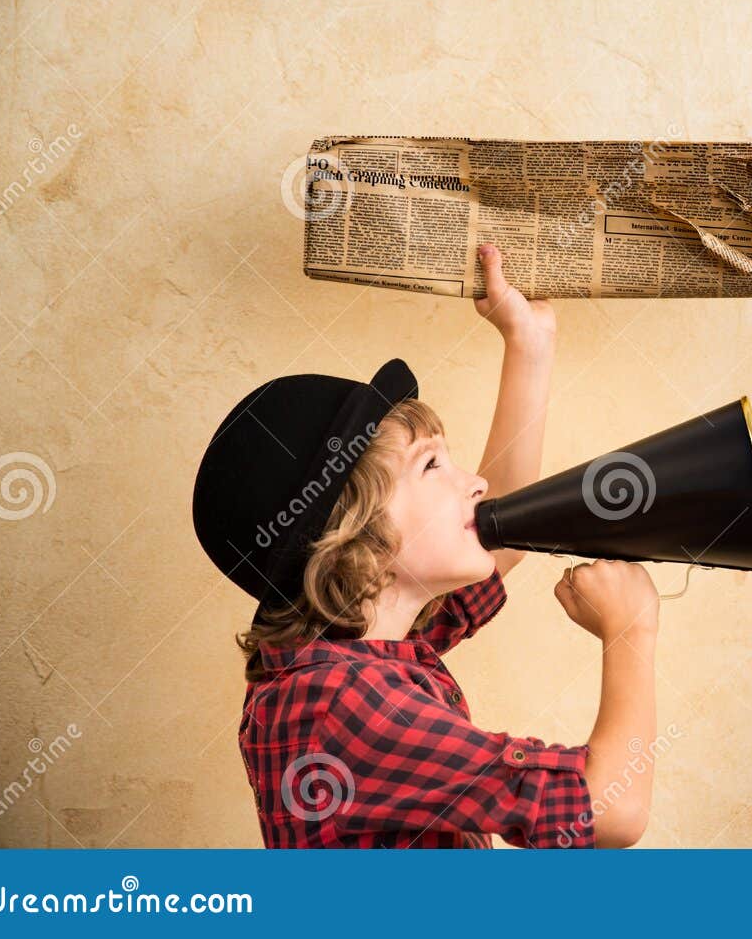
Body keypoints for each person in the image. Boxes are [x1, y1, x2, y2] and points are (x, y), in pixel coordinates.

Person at [191, 243, 659, 848]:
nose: (476, 483)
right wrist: (632, 630)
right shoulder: (339, 703)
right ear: (356, 537)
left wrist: (529, 342)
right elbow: (607, 810)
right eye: (432, 465)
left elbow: (503, 533)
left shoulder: (361, 651)